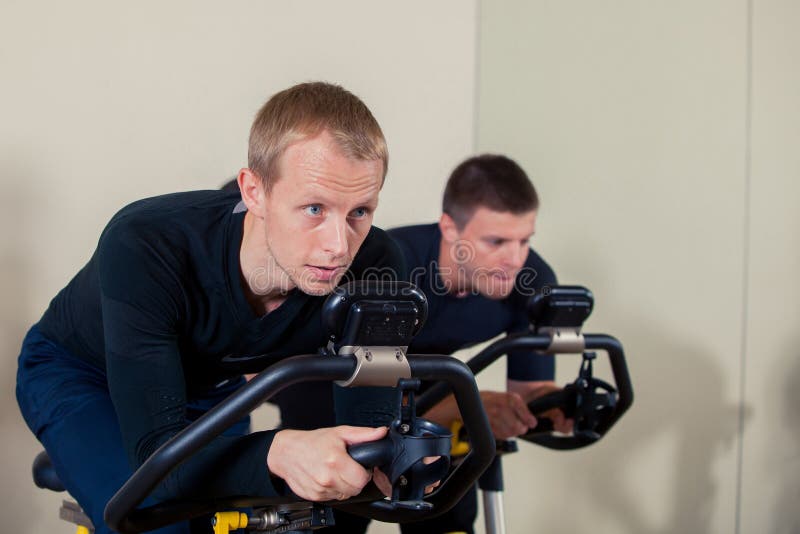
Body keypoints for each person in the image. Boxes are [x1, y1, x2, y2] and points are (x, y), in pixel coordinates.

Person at [16, 82, 404, 534]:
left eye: (360, 212)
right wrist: (278, 451)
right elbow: (159, 460)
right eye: (315, 208)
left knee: (252, 516)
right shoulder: (147, 244)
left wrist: (394, 459)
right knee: (157, 518)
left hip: (207, 386)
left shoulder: (376, 265)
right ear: (254, 191)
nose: (339, 247)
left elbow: (368, 439)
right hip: (82, 375)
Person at [332, 154, 571, 534]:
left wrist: (554, 405)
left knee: (448, 489)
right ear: (450, 228)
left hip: (424, 380)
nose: (514, 259)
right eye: (496, 241)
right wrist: (464, 406)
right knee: (345, 498)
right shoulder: (392, 268)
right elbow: (364, 418)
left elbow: (528, 392)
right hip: (340, 387)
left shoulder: (533, 280)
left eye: (524, 240)